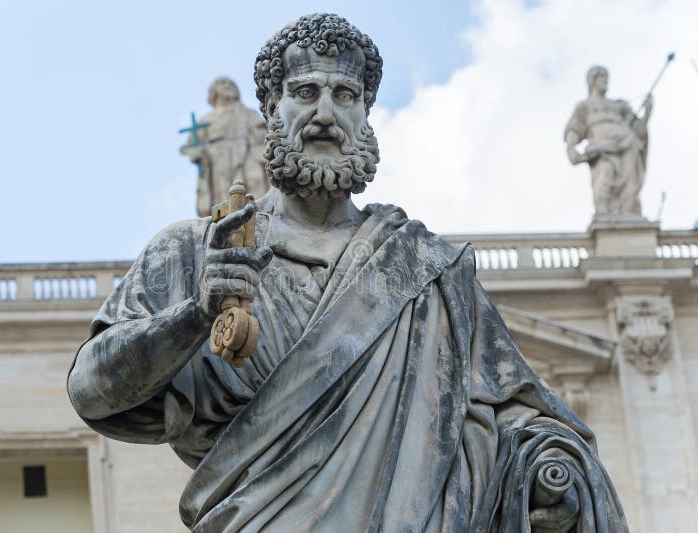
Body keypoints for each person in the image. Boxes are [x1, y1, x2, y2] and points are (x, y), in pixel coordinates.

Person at [69, 14, 627, 532]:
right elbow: (92, 389)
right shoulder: (192, 252)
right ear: (270, 108)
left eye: (347, 96)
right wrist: (196, 315)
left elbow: (513, 417)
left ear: (365, 114)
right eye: (306, 92)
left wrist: (545, 473)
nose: (326, 114)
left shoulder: (425, 270)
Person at [565, 65, 652, 218]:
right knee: (604, 181)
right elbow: (574, 131)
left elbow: (638, 131)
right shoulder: (585, 107)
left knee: (629, 188)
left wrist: (647, 112)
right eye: (602, 77)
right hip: (602, 151)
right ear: (592, 80)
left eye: (607, 77)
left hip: (627, 146)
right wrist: (571, 149)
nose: (606, 81)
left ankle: (628, 218)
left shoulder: (619, 105)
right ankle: (606, 219)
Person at [181, 77, 269, 217]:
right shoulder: (208, 119)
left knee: (252, 189)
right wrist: (197, 153)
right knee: (223, 192)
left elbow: (265, 136)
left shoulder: (249, 114)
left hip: (246, 154)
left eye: (230, 83)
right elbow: (191, 145)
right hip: (219, 158)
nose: (227, 86)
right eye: (222, 84)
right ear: (213, 92)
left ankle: (257, 216)